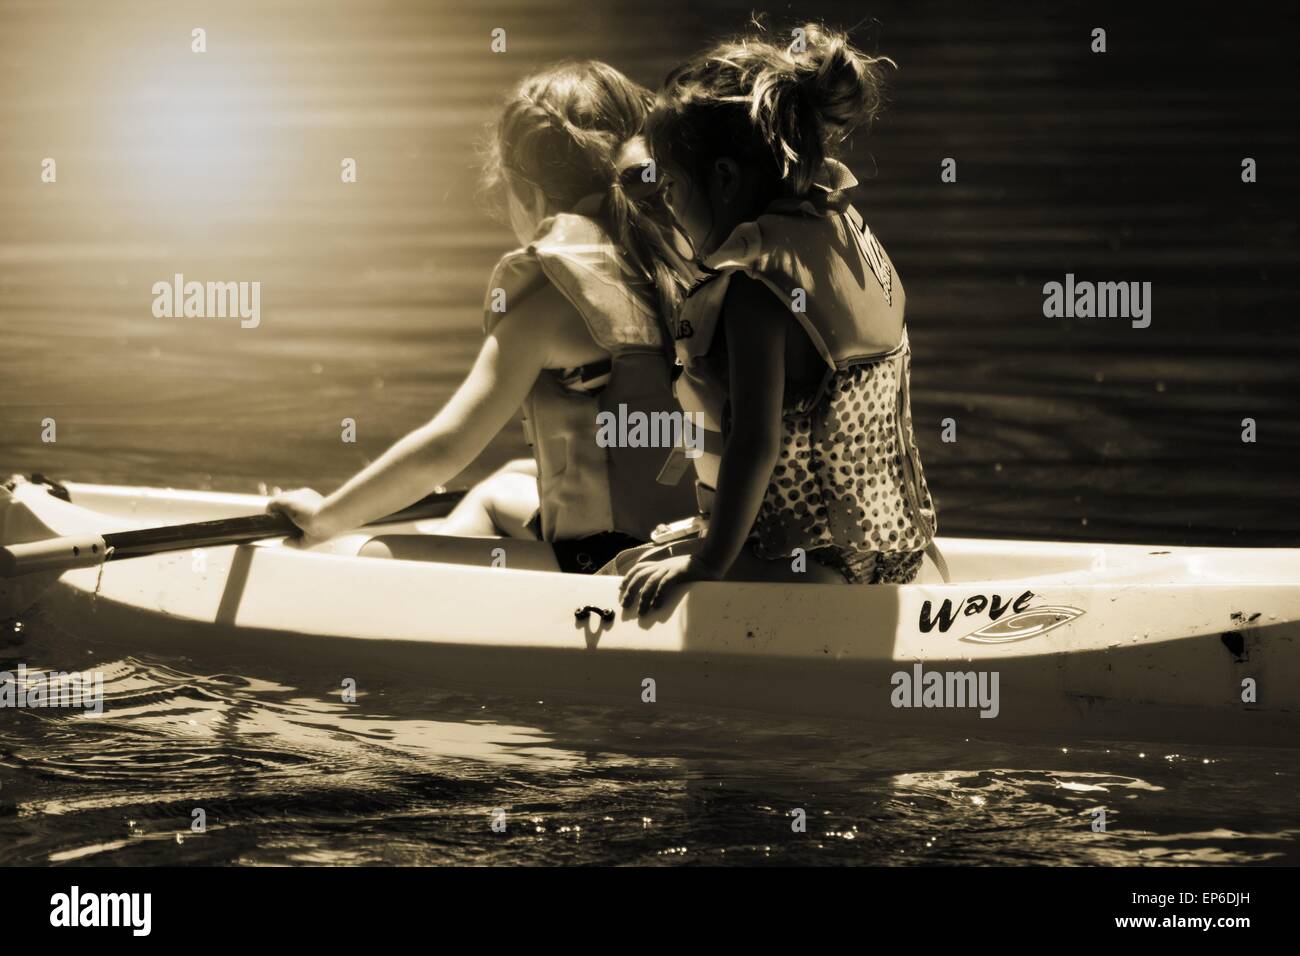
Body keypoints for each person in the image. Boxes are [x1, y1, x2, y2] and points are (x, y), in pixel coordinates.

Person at [269, 61, 695, 573]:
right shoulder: (677, 258)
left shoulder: (552, 307)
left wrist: (325, 517)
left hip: (610, 565)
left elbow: (445, 449)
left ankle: (450, 608)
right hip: (687, 540)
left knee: (344, 553)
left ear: (527, 194)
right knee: (497, 491)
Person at [620, 24, 937, 613]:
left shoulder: (756, 293)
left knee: (619, 574)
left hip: (800, 564)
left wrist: (708, 562)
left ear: (723, 179)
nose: (664, 201)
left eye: (671, 185)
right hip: (886, 552)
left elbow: (756, 443)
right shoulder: (836, 232)